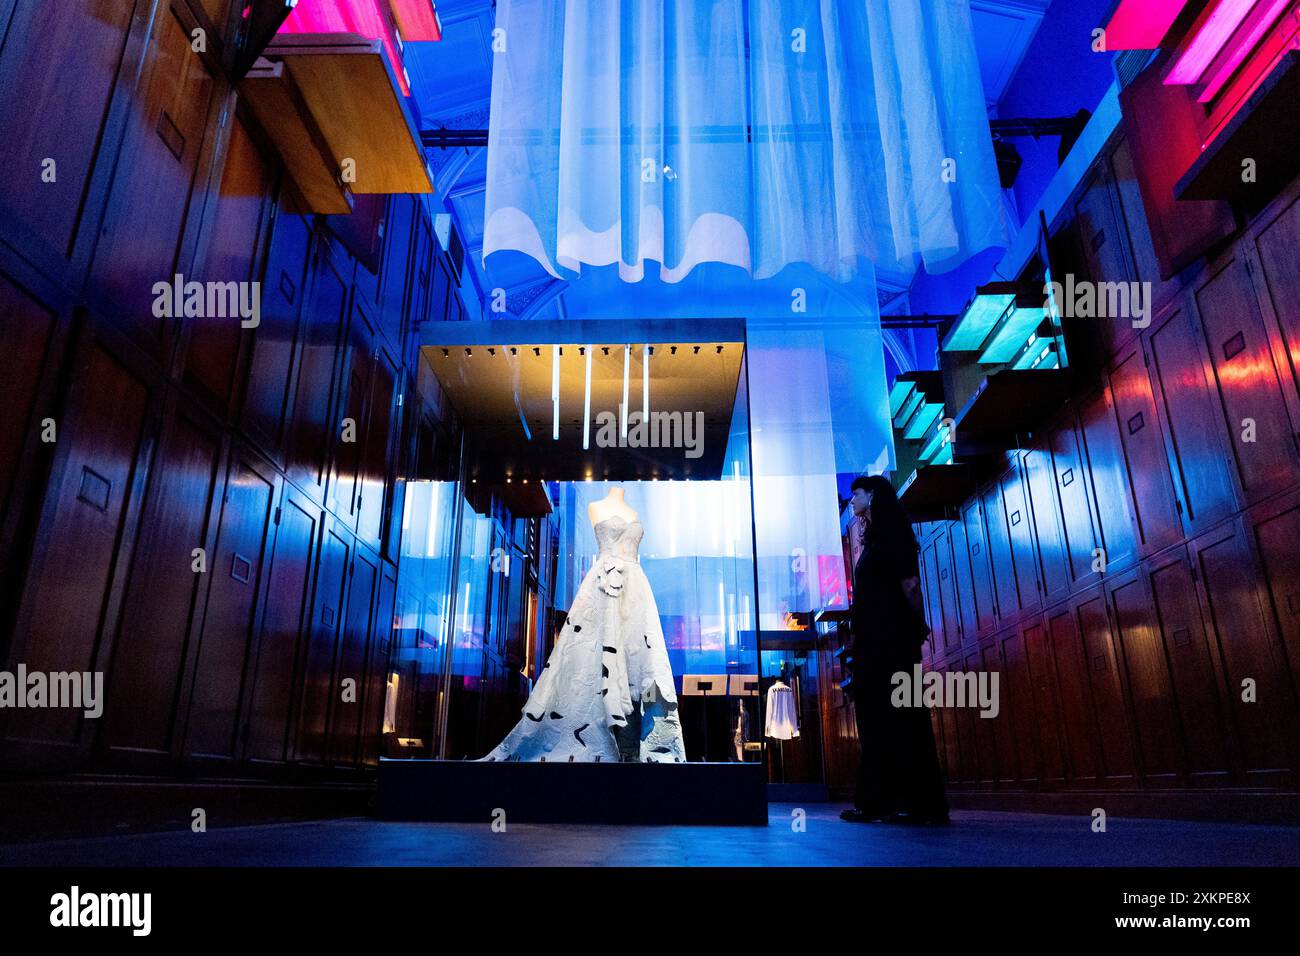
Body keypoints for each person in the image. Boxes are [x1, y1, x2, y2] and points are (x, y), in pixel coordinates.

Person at [839, 475, 949, 825]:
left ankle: (919, 804)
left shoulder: (894, 536)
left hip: (894, 641)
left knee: (903, 718)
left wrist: (917, 627)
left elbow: (910, 586)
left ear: (872, 495)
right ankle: (881, 801)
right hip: (876, 643)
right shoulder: (871, 540)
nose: (851, 500)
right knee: (877, 720)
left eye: (856, 494)